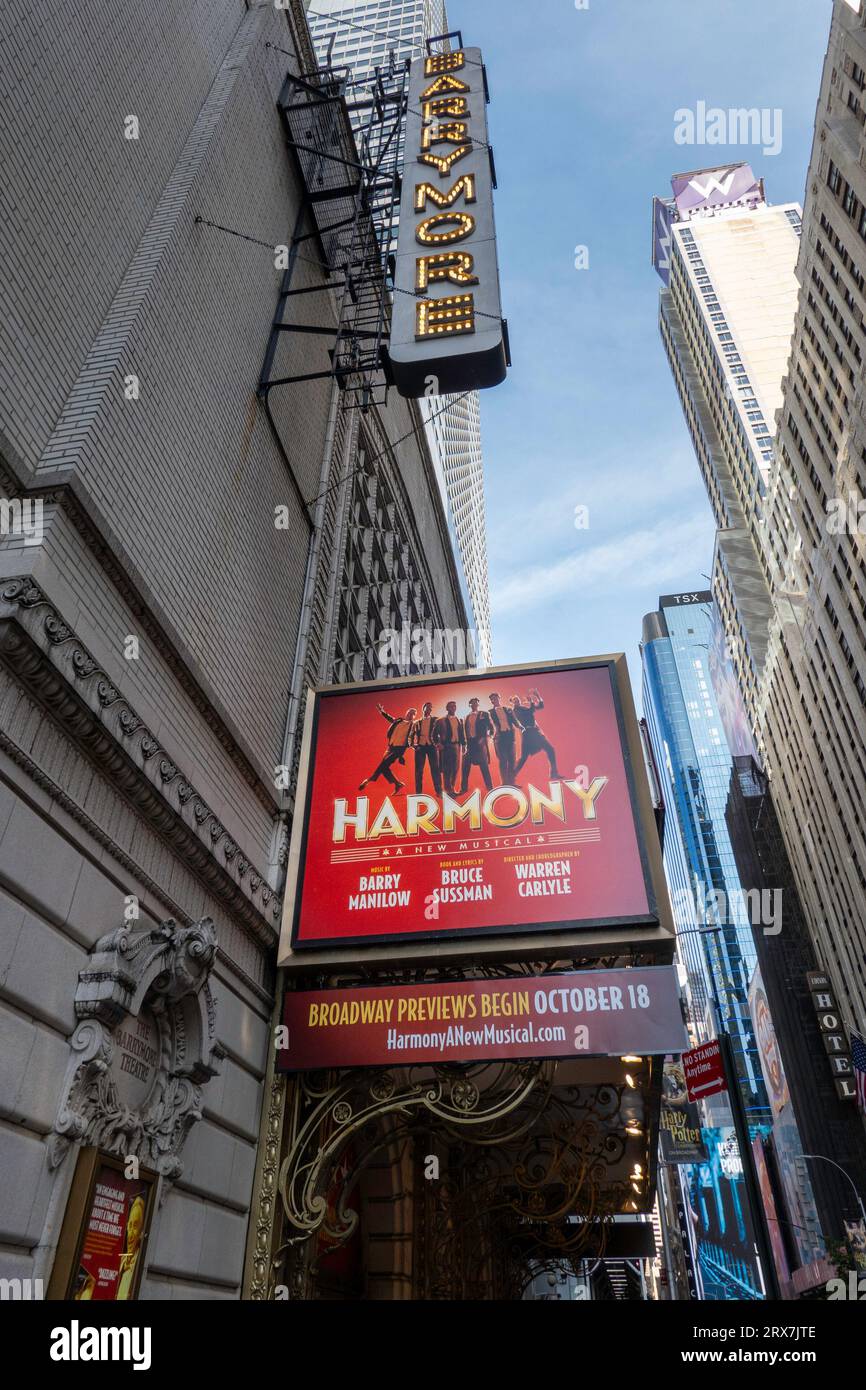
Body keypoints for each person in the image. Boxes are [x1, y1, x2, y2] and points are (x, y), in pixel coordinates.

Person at [359, 703, 416, 793]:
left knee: (383, 765)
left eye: (412, 714)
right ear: (406, 713)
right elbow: (390, 718)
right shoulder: (399, 721)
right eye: (409, 713)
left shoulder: (413, 725)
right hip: (390, 747)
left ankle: (369, 780)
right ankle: (397, 784)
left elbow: (418, 735)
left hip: (399, 749)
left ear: (414, 716)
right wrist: (382, 711)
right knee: (384, 767)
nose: (410, 715)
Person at [511, 688, 561, 780]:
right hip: (528, 735)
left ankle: (553, 774)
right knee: (523, 758)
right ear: (512, 703)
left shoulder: (524, 707)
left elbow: (540, 707)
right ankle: (512, 775)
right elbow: (530, 712)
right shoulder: (515, 711)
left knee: (550, 749)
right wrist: (531, 702)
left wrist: (537, 696)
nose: (517, 701)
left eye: (517, 699)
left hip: (536, 733)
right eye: (515, 700)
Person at [457, 697, 494, 794]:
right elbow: (462, 731)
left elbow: (491, 728)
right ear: (470, 705)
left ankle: (490, 788)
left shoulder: (484, 714)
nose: (474, 704)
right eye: (472, 703)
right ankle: (463, 789)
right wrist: (464, 744)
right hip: (469, 744)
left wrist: (485, 737)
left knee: (484, 766)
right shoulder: (465, 717)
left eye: (476, 702)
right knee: (465, 767)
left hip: (480, 743)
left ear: (478, 704)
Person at [435, 699, 466, 795]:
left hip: (457, 746)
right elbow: (434, 734)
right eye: (451, 706)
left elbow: (461, 734)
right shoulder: (440, 720)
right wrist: (438, 744)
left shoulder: (459, 720)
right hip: (446, 746)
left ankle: (452, 788)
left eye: (454, 706)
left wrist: (464, 745)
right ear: (447, 708)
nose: (453, 708)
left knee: (455, 769)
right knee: (446, 769)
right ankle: (448, 790)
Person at [412, 701, 442, 795]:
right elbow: (410, 735)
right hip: (420, 747)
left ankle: (439, 791)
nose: (429, 709)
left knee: (435, 769)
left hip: (432, 746)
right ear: (423, 708)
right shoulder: (417, 722)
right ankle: (418, 792)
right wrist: (413, 745)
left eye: (431, 707)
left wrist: (439, 743)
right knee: (419, 771)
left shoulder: (436, 720)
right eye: (427, 707)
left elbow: (441, 732)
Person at [488, 691, 518, 785]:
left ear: (499, 698)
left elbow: (514, 720)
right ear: (491, 701)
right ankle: (505, 783)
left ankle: (512, 783)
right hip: (500, 738)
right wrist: (490, 734)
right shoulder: (490, 712)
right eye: (492, 699)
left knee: (512, 760)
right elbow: (489, 725)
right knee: (503, 761)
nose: (494, 700)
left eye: (496, 697)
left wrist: (521, 727)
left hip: (510, 736)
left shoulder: (507, 709)